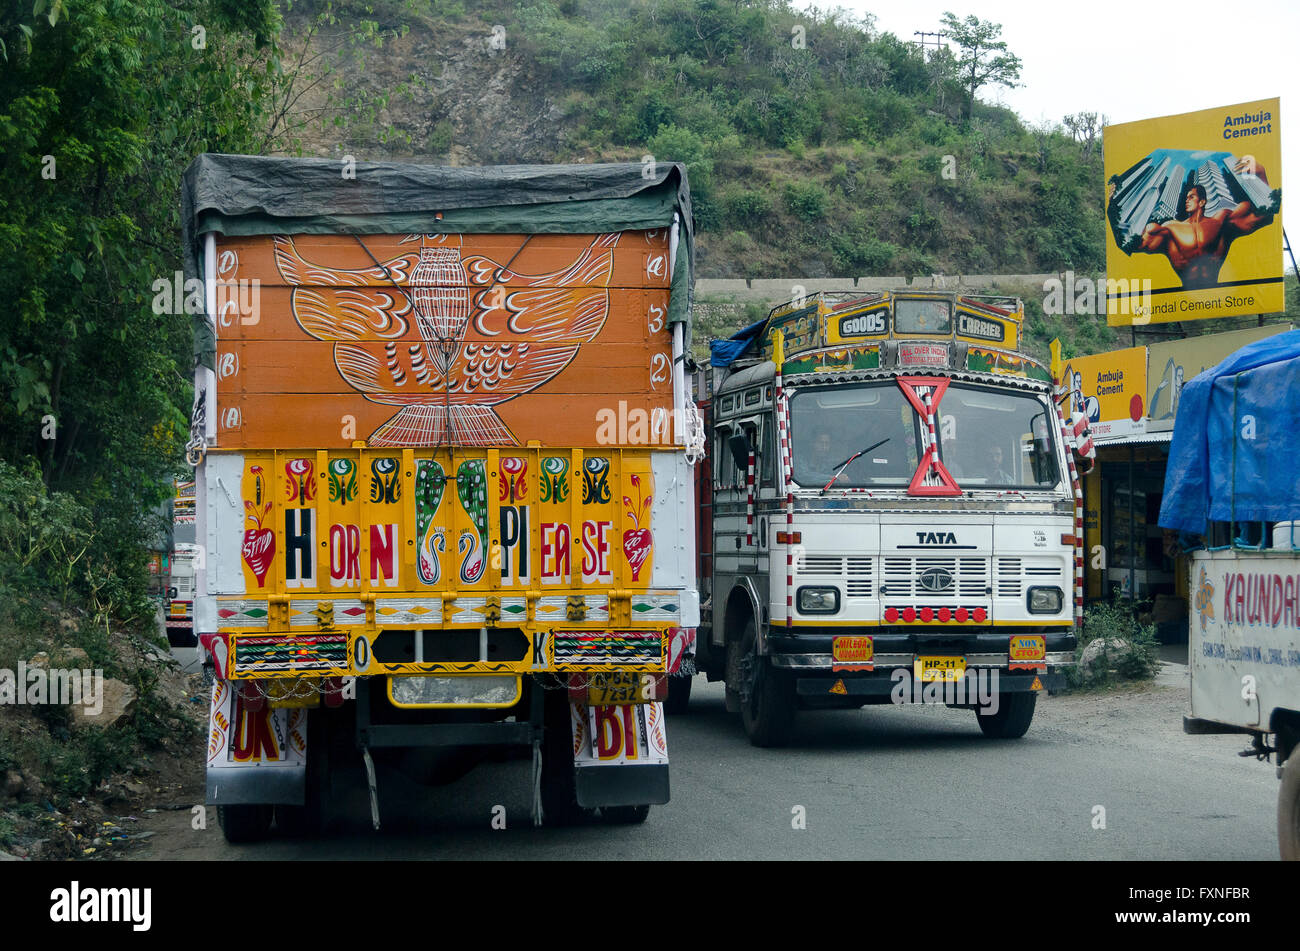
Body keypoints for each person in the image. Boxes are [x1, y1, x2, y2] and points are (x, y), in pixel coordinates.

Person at [1135, 159, 1276, 290]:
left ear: (1202, 202)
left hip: (1216, 290)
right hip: (1183, 297)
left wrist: (1261, 173)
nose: (1186, 200)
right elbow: (1136, 243)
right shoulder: (1171, 228)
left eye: (1191, 197)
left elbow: (1263, 216)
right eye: (1186, 197)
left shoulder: (1220, 222)